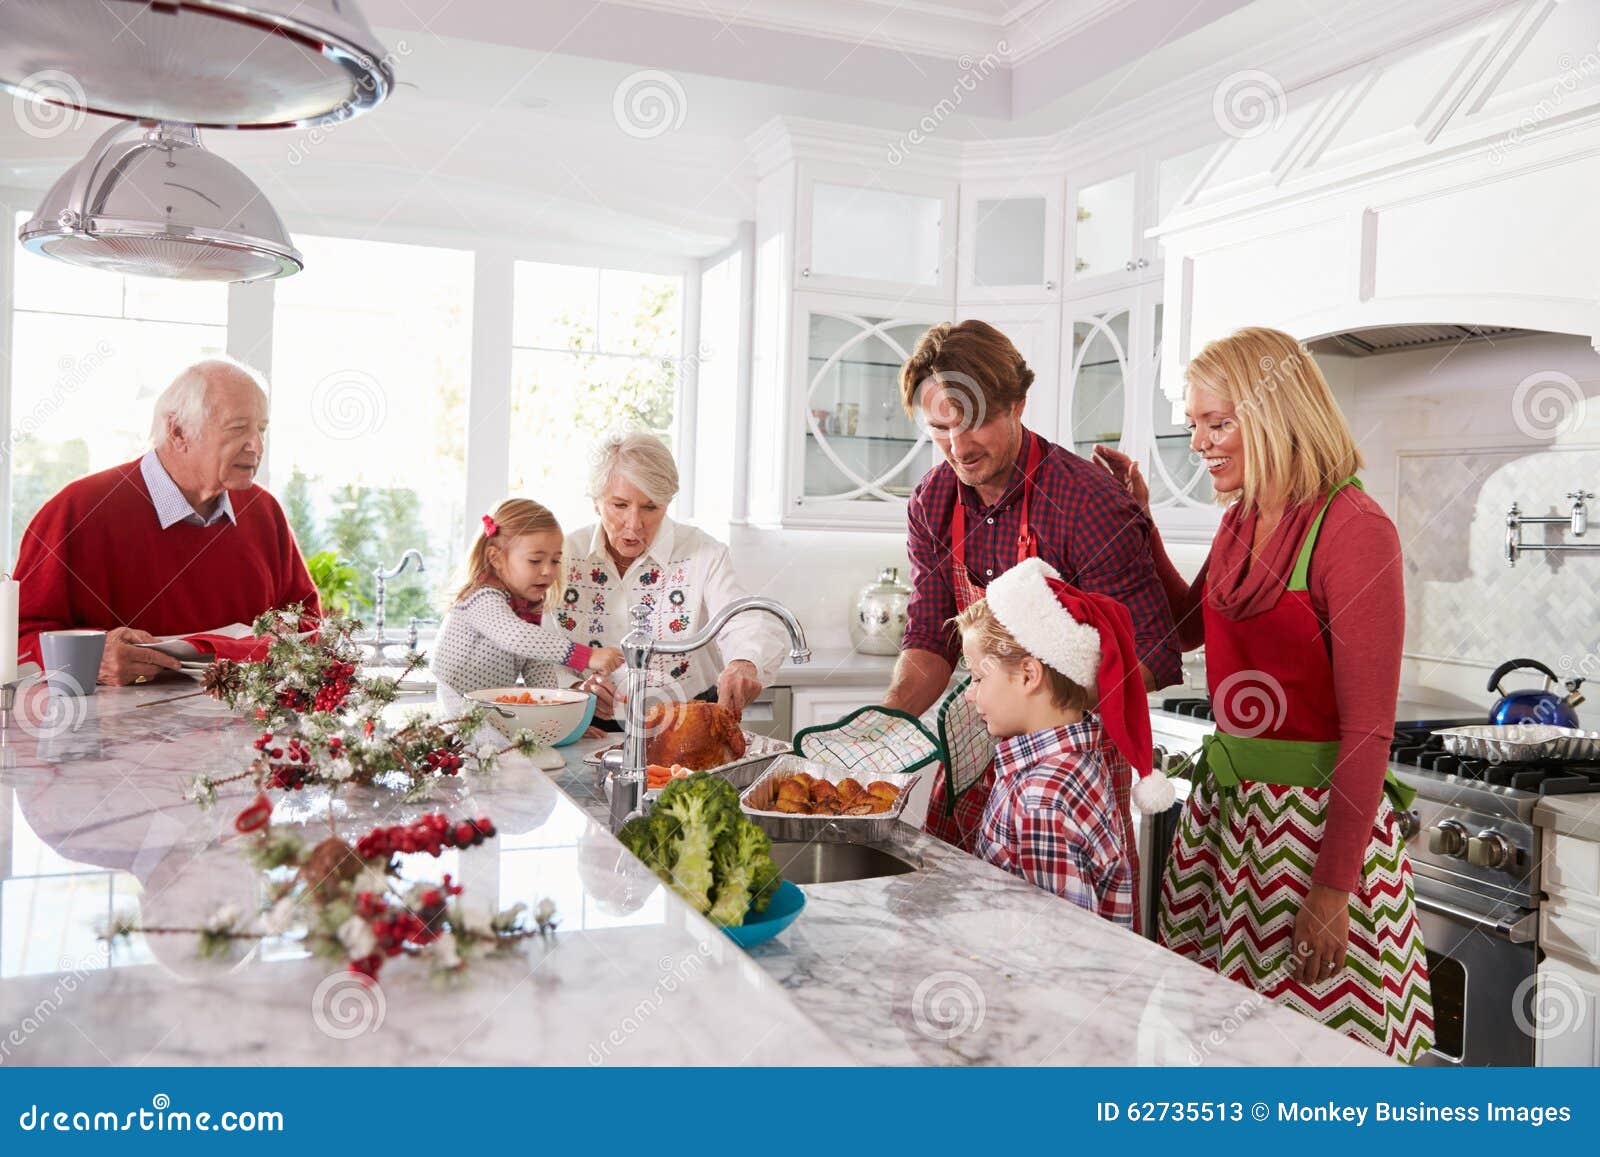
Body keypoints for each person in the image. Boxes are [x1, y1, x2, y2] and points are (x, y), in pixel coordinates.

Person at [1095, 326, 1434, 1062]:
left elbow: (1370, 729)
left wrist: (1332, 893)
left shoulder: (1355, 529)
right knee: (1210, 1053)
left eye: (1218, 423)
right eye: (1196, 426)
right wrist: (1140, 518)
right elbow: (1189, 624)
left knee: (1310, 1061)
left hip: (1312, 836)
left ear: (1277, 414)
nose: (1201, 444)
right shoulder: (1242, 518)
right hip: (1228, 823)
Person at [886, 320, 1180, 850]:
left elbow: (1153, 655)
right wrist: (887, 724)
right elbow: (931, 637)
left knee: (1056, 925)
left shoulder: (1087, 502)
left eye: (973, 424)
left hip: (1069, 770)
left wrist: (1037, 706)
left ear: (1016, 404)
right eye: (939, 429)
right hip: (976, 757)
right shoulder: (933, 500)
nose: (957, 447)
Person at [13, 358, 320, 686]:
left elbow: (310, 624)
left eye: (261, 429)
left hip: (245, 730)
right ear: (178, 431)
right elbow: (15, 644)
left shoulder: (264, 511)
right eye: (237, 428)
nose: (256, 446)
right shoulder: (77, 510)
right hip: (114, 733)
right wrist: (88, 659)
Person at [953, 558, 1175, 929]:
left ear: (1028, 675)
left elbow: (1055, 946)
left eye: (977, 678)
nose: (968, 696)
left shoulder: (1042, 798)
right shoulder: (1072, 766)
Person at [557, 430, 787, 725]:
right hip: (586, 723)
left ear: (666, 504)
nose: (634, 523)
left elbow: (744, 620)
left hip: (687, 721)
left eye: (650, 507)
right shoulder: (563, 554)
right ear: (596, 501)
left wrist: (744, 663)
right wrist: (575, 689)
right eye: (620, 505)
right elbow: (540, 646)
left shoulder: (704, 553)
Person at [431, 499, 623, 701]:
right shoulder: (480, 598)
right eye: (535, 560)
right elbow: (516, 636)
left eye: (555, 560)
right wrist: (587, 656)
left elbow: (539, 670)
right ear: (495, 558)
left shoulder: (525, 611)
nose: (548, 570)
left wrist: (567, 712)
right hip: (457, 706)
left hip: (489, 710)